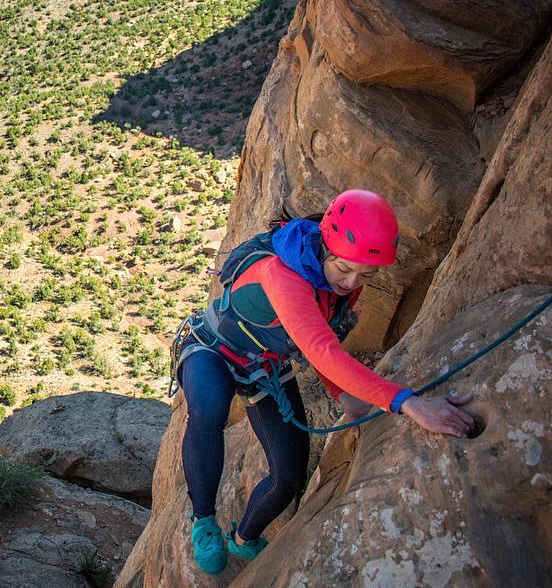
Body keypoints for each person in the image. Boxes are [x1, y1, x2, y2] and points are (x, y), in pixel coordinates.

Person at [175, 189, 475, 575]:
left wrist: (341, 393)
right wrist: (409, 403)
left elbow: (321, 331)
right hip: (213, 349)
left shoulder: (340, 279)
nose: (351, 282)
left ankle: (244, 537)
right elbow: (321, 351)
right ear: (326, 248)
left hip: (265, 368)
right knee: (210, 409)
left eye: (365, 274)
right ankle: (203, 522)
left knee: (289, 475)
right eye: (343, 269)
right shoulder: (282, 275)